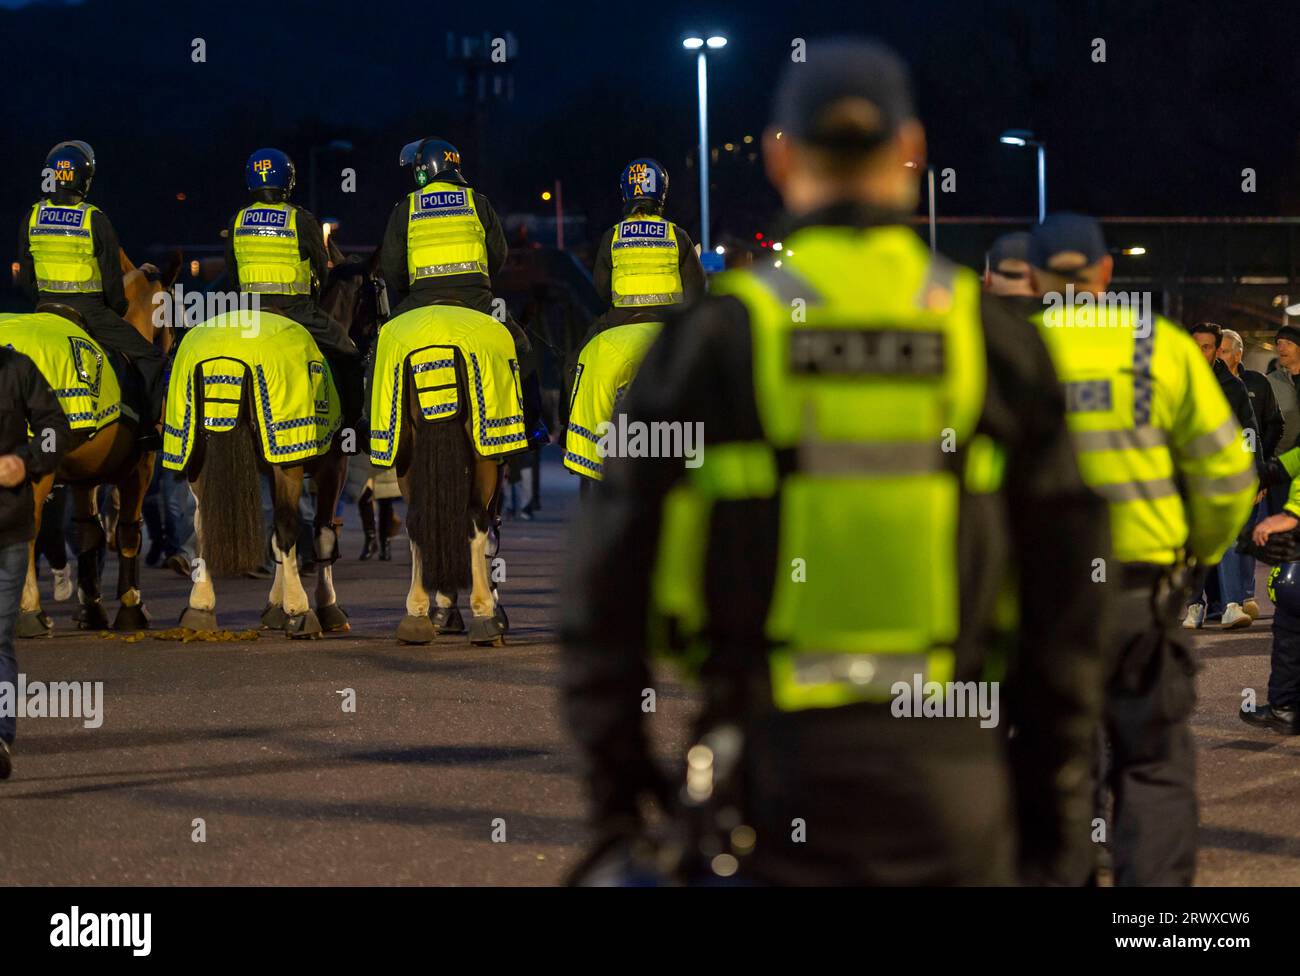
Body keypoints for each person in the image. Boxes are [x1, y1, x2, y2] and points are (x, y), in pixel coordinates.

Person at [562, 37, 1110, 886]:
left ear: (781, 159)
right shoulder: (992, 339)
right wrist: (1052, 808)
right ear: (912, 153)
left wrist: (620, 794)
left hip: (770, 781)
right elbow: (1069, 592)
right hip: (956, 779)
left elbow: (606, 578)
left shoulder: (717, 339)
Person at [1026, 213, 1257, 885]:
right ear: (1104, 273)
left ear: (1037, 277)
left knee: (1051, 766)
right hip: (1141, 598)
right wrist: (1197, 559)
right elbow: (1225, 478)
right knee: (1153, 765)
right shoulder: (1161, 347)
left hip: (1044, 603)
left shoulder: (1012, 349)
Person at [379, 137, 547, 448]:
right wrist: (479, 281)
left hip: (421, 300)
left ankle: (374, 429)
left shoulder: (407, 207)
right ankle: (533, 423)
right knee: (520, 345)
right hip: (477, 301)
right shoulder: (478, 202)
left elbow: (391, 266)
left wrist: (410, 293)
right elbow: (499, 254)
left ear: (423, 170)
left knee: (381, 348)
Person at [14, 141, 163, 444]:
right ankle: (148, 430)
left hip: (45, 307)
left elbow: (26, 277)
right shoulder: (94, 218)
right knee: (151, 358)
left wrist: (43, 300)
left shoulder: (32, 215)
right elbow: (112, 282)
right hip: (89, 312)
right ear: (85, 179)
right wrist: (118, 308)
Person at [225, 148, 364, 433]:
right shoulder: (299, 219)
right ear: (288, 180)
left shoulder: (237, 220)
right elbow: (323, 273)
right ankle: (352, 426)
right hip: (296, 310)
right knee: (349, 354)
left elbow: (232, 273)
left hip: (247, 312)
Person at [0, 346, 72, 779]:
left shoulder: (18, 367)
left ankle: (0, 737)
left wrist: (23, 462)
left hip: (6, 528)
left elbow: (55, 429)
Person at [1182, 321, 1263, 629]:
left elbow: (1249, 431)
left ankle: (1230, 605)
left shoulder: (1233, 387)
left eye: (1205, 347)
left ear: (1217, 351)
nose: (1199, 352)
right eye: (1195, 346)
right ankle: (1194, 606)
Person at [592, 159, 706, 327]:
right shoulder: (676, 235)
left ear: (625, 192)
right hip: (670, 320)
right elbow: (697, 286)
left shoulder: (613, 235)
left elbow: (601, 286)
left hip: (620, 318)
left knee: (584, 350)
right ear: (662, 193)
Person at [1220, 328, 1281, 618]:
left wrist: (1264, 468)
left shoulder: (1257, 383)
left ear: (1238, 353)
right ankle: (1229, 601)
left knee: (1244, 536)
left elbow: (1272, 425)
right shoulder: (1208, 384)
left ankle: (1244, 595)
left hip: (1252, 473)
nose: (1218, 357)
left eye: (1222, 351)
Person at [1266, 326, 1300, 514]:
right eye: (1278, 344)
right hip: (1280, 466)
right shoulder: (1271, 382)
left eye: (1288, 343)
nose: (1281, 348)